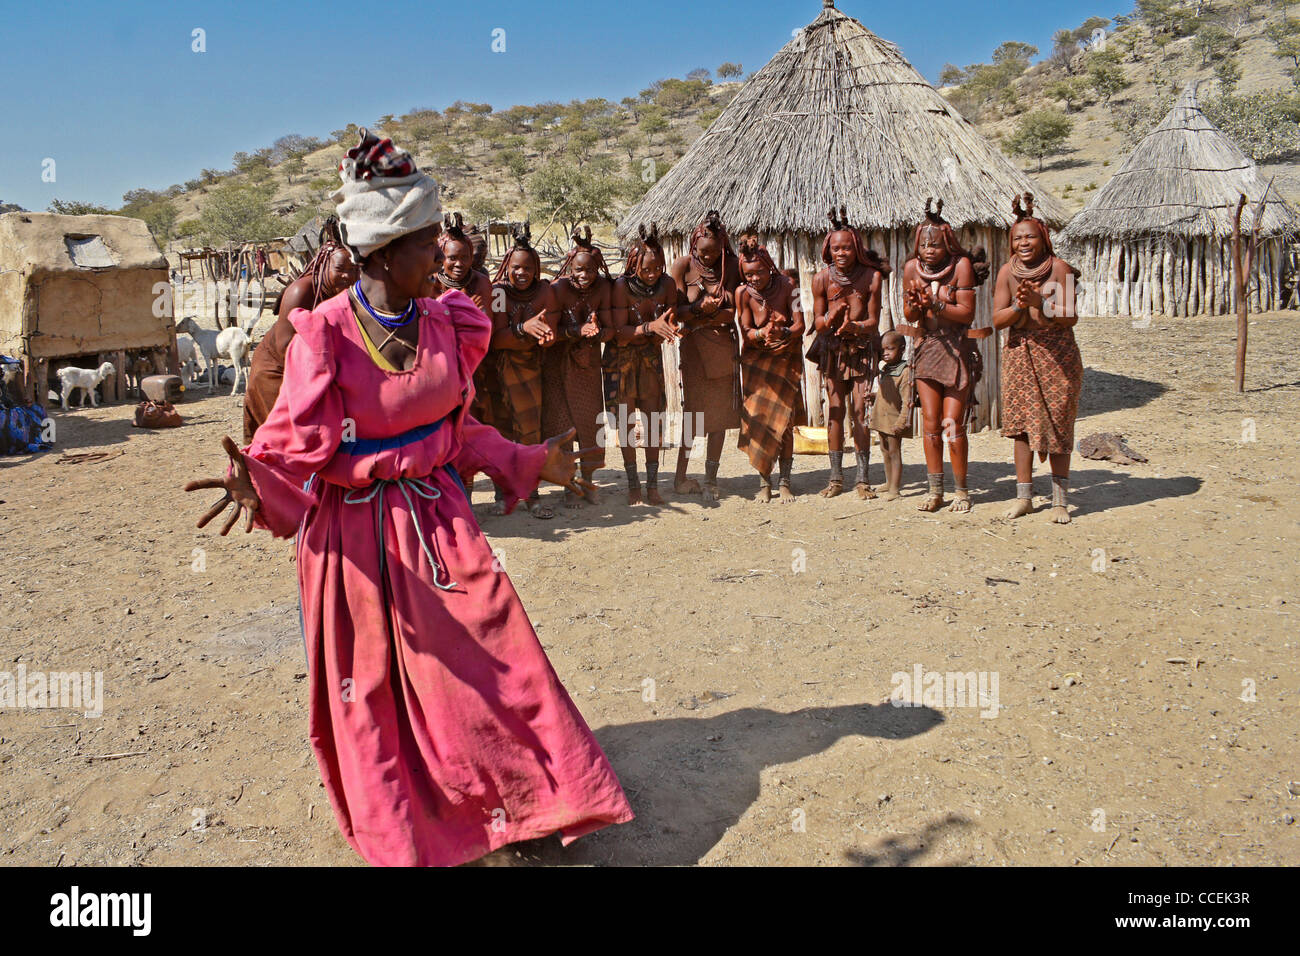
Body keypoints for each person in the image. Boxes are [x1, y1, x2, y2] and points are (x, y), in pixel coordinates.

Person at [183, 130, 632, 867]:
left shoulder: (448, 321)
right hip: (354, 544)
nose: (444, 252)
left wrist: (526, 461)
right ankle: (409, 830)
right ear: (387, 250)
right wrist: (254, 484)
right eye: (428, 240)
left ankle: (527, 802)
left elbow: (456, 430)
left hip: (437, 524)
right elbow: (291, 444)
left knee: (499, 661)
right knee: (376, 694)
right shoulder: (323, 336)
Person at [992, 192, 1083, 524]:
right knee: (1020, 429)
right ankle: (1024, 497)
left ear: (1043, 239)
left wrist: (1038, 303)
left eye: (1030, 236)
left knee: (1058, 423)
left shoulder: (1061, 269)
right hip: (1019, 353)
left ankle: (1060, 501)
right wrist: (1019, 305)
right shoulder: (1006, 272)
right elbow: (998, 319)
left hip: (1058, 355)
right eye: (1017, 238)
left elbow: (1070, 315)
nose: (1023, 242)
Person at [900, 198, 990, 513]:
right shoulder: (912, 268)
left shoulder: (961, 266)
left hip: (957, 350)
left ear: (947, 243)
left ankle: (962, 491)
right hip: (927, 349)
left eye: (935, 244)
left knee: (952, 423)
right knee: (930, 423)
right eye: (923, 244)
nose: (929, 250)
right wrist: (917, 302)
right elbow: (910, 315)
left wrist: (936, 303)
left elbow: (966, 314)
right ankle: (935, 491)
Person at [242, 218, 358, 443]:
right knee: (283, 438)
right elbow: (285, 347)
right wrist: (324, 375)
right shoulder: (301, 292)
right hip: (277, 370)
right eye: (340, 269)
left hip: (315, 371)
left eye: (354, 270)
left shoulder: (348, 292)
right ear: (324, 265)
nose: (348, 276)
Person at [808, 206, 887, 499]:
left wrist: (855, 326)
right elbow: (817, 323)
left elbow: (874, 321)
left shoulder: (872, 278)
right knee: (835, 411)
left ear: (857, 249)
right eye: (836, 248)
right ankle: (836, 478)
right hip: (832, 350)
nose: (841, 253)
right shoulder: (821, 279)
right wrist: (830, 319)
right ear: (829, 250)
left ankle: (863, 480)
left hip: (860, 349)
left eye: (847, 248)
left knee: (860, 413)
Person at [669, 211, 742, 502]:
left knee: (720, 416)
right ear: (693, 248)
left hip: (723, 346)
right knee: (694, 413)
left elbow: (740, 308)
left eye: (714, 252)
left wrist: (717, 312)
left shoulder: (732, 266)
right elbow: (674, 311)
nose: (708, 258)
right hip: (694, 350)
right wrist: (700, 310)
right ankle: (680, 477)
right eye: (702, 252)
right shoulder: (683, 266)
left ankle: (711, 478)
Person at [489, 223, 559, 518]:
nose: (521, 273)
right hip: (498, 372)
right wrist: (523, 329)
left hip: (530, 371)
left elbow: (550, 331)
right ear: (507, 266)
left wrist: (546, 337)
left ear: (536, 268)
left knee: (530, 433)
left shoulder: (545, 291)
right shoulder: (498, 292)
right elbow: (495, 337)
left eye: (528, 268)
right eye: (516, 267)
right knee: (502, 433)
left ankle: (532, 494)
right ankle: (502, 493)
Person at [607, 223, 680, 505]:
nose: (651, 275)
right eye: (646, 269)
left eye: (657, 268)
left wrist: (671, 329)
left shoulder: (668, 285)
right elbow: (618, 332)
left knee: (653, 421)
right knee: (625, 424)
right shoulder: (621, 287)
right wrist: (650, 328)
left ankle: (652, 486)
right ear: (633, 264)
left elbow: (671, 318)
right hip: (621, 360)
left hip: (650, 360)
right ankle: (632, 485)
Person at [734, 236, 805, 503]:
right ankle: (764, 482)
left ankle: (785, 482)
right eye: (748, 274)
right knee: (759, 422)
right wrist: (762, 334)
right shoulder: (742, 294)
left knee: (785, 423)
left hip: (785, 360)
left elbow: (801, 324)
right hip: (756, 364)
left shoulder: (790, 287)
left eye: (759, 272)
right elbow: (746, 330)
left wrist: (783, 331)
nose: (754, 279)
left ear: (770, 267)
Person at [546, 226, 613, 507]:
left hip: (587, 367)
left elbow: (612, 330)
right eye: (578, 270)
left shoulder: (604, 290)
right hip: (559, 365)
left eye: (590, 270)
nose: (584, 276)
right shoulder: (557, 289)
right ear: (570, 267)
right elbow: (550, 332)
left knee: (589, 421)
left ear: (597, 268)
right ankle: (569, 484)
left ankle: (589, 480)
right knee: (564, 424)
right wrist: (576, 331)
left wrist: (598, 332)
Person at [868, 330, 914, 501]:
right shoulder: (887, 369)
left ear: (902, 349)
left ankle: (895, 489)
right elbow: (887, 393)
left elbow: (907, 401)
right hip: (882, 418)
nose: (885, 353)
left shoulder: (905, 372)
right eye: (883, 350)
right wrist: (873, 397)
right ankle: (888, 482)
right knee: (884, 450)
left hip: (894, 420)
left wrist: (901, 422)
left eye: (890, 349)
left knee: (894, 453)